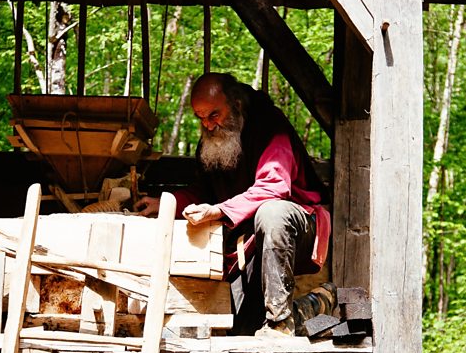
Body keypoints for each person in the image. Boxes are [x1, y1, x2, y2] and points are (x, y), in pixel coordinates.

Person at [134, 72, 332, 337]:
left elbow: (274, 187)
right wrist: (165, 203)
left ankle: (281, 323)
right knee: (244, 330)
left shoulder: (271, 127)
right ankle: (311, 305)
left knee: (271, 212)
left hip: (297, 228)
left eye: (214, 115)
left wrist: (219, 211)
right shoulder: (211, 141)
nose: (208, 125)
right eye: (200, 118)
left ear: (236, 105)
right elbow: (205, 192)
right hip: (249, 241)